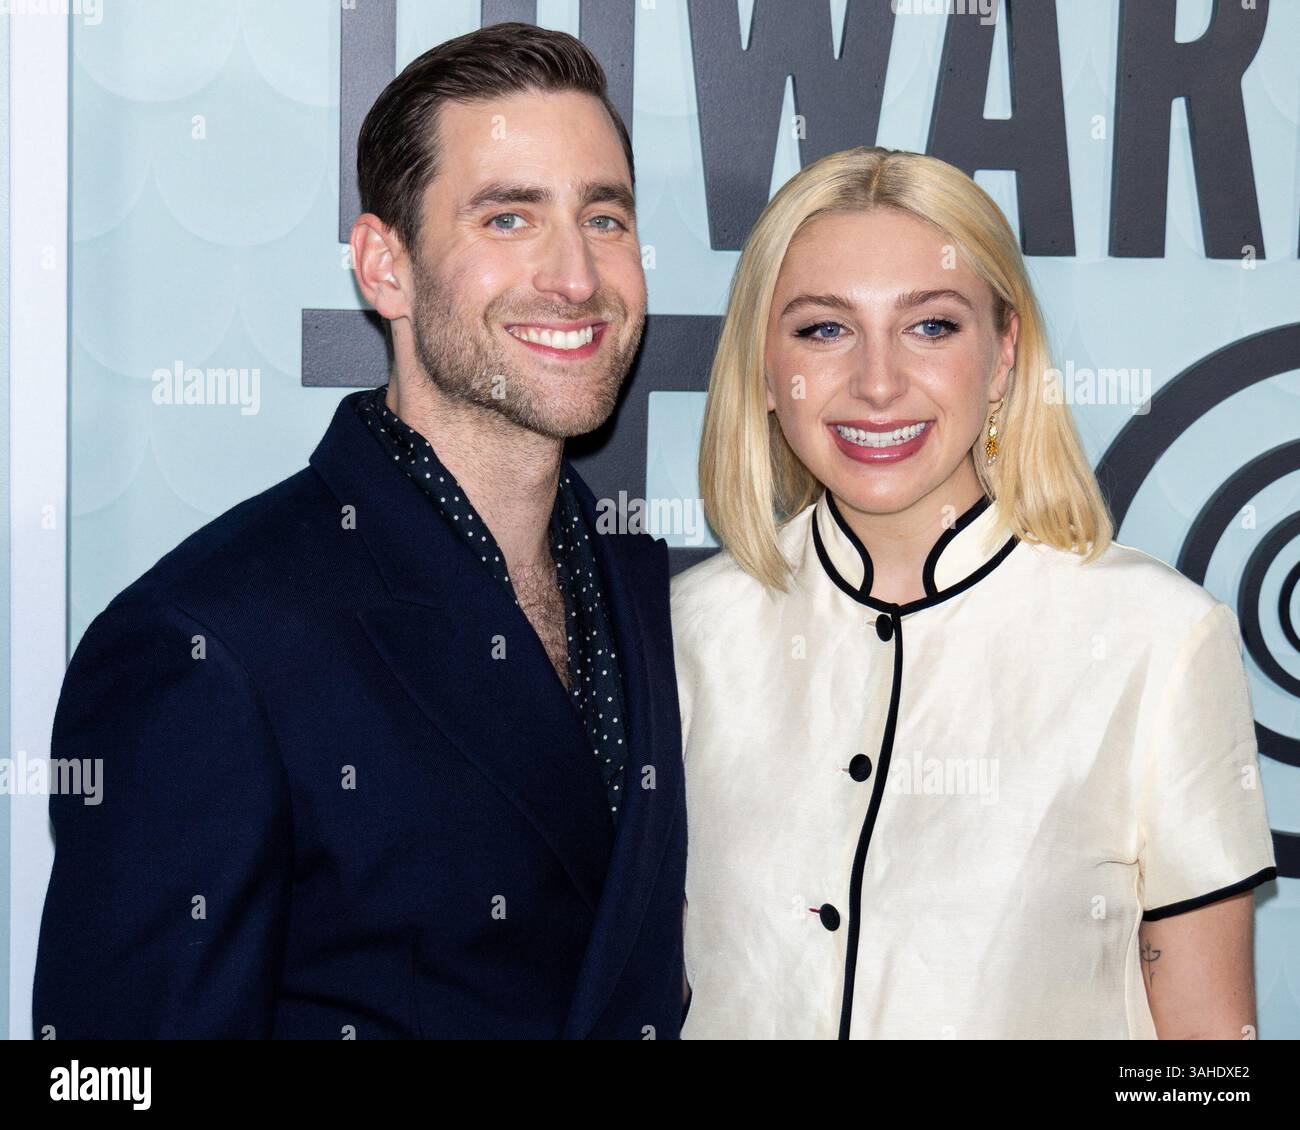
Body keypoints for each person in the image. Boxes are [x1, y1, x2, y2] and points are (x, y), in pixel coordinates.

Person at [34, 22, 686, 1040]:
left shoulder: (651, 600)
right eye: (508, 218)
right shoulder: (209, 641)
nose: (574, 275)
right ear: (384, 266)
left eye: (602, 218)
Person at [672, 146, 1277, 1039]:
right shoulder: (683, 636)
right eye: (824, 330)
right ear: (764, 368)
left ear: (1004, 356)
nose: (878, 384)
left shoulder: (1156, 640)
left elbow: (1206, 1054)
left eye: (931, 327)